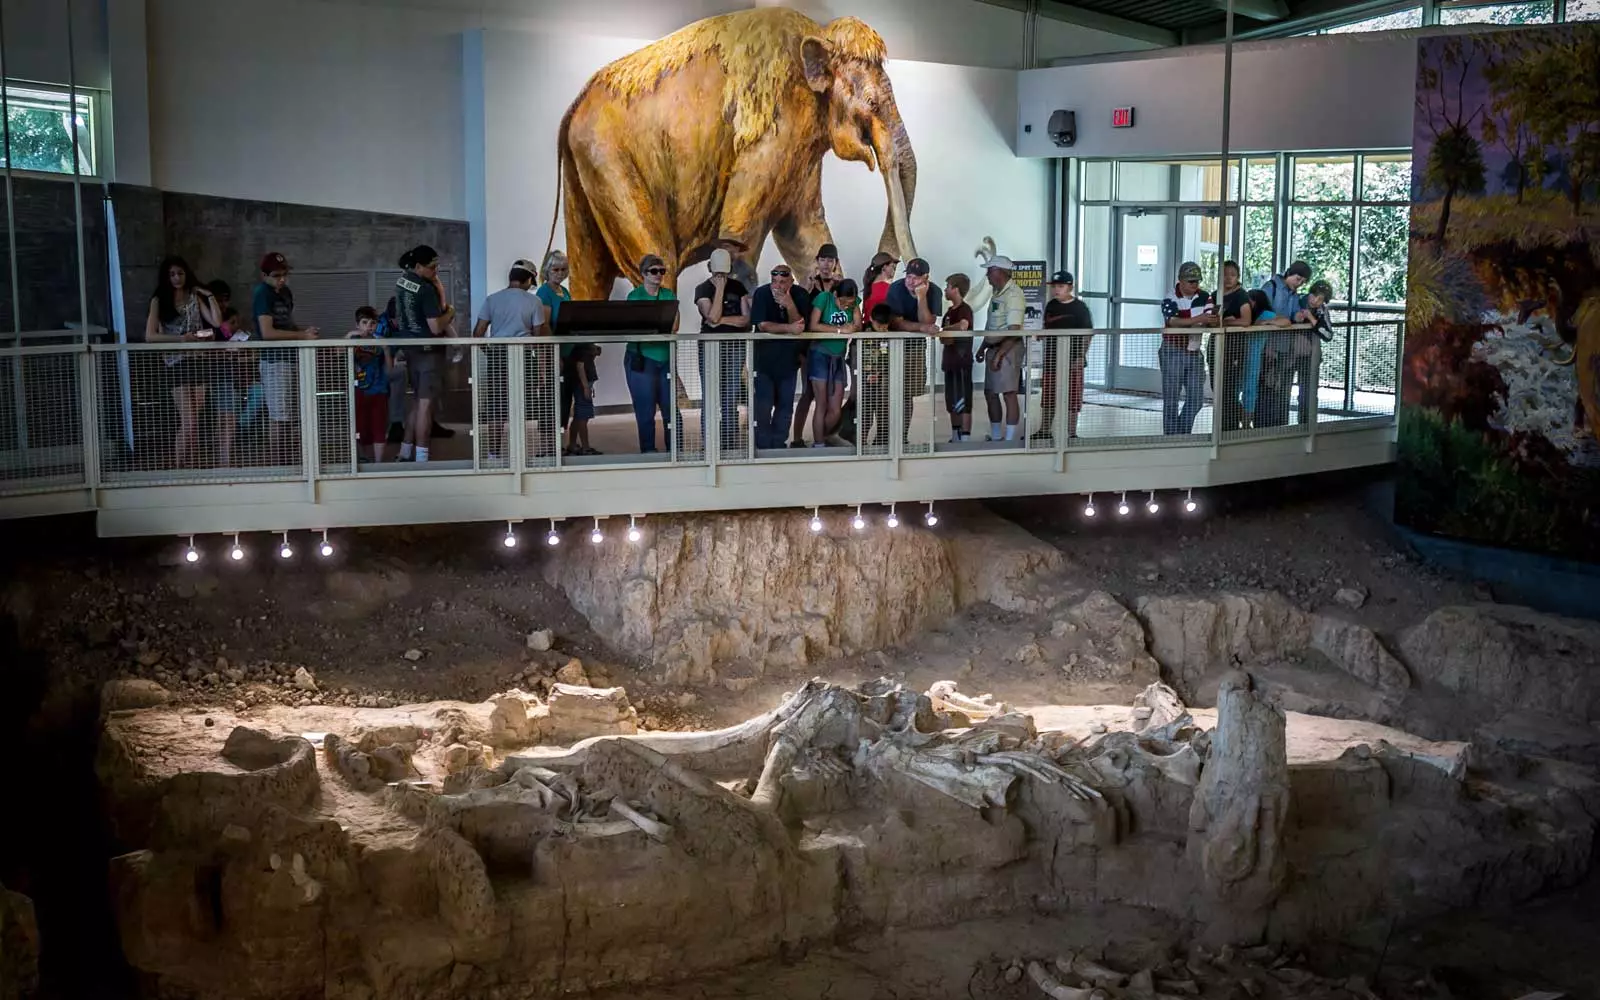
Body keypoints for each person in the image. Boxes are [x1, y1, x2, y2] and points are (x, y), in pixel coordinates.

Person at [145, 256, 221, 469]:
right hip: (176, 362)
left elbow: (216, 322)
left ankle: (191, 464)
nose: (177, 278)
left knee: (194, 421)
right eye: (172, 274)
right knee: (189, 421)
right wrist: (181, 339)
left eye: (180, 273)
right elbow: (150, 336)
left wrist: (210, 295)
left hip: (198, 359)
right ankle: (178, 466)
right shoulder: (159, 300)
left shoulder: (194, 296)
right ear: (166, 277)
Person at [472, 258, 548, 461]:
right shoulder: (534, 302)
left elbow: (477, 333)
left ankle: (493, 455)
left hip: (498, 355)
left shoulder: (492, 299)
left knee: (497, 407)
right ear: (529, 279)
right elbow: (537, 339)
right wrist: (541, 371)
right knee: (520, 406)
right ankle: (519, 456)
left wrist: (490, 352)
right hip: (523, 356)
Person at [252, 252, 319, 464]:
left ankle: (291, 461)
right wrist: (301, 336)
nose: (281, 279)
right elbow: (268, 333)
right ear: (264, 275)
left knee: (291, 415)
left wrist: (304, 332)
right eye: (276, 275)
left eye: (285, 274)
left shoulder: (286, 292)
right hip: (274, 361)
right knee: (279, 415)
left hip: (291, 358)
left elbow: (286, 324)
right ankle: (278, 464)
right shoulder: (262, 293)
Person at [392, 245, 455, 463]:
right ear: (418, 266)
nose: (435, 271)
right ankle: (422, 456)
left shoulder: (402, 282)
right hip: (429, 352)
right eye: (432, 267)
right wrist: (450, 313)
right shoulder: (425, 289)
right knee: (425, 406)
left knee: (417, 402)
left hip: (411, 349)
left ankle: (405, 450)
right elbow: (436, 326)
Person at [789, 244, 849, 447]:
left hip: (833, 346)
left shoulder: (840, 286)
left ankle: (825, 435)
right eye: (823, 260)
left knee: (832, 397)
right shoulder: (808, 285)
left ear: (836, 264)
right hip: (810, 346)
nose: (826, 264)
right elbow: (799, 312)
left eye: (830, 260)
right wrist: (806, 289)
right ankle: (797, 437)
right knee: (808, 393)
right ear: (817, 261)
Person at [694, 248, 751, 452]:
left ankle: (728, 443)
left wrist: (720, 320)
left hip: (734, 347)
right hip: (710, 347)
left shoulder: (738, 286)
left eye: (724, 273)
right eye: (718, 273)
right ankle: (709, 443)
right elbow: (711, 316)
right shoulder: (702, 289)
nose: (721, 277)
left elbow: (745, 318)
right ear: (710, 268)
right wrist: (719, 291)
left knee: (730, 395)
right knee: (711, 396)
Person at [749, 263, 811, 450]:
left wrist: (789, 304)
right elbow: (763, 325)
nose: (778, 286)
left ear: (791, 282)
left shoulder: (800, 295)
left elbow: (799, 325)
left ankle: (778, 444)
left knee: (785, 407)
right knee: (763, 406)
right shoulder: (761, 294)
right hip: (764, 362)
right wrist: (788, 329)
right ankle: (762, 445)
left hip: (788, 362)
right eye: (775, 282)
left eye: (783, 282)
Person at [624, 253, 679, 454]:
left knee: (671, 409)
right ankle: (648, 450)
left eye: (662, 271)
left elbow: (674, 325)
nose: (658, 275)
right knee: (645, 410)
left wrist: (652, 327)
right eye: (653, 271)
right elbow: (633, 327)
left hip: (665, 359)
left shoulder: (668, 295)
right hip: (641, 359)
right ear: (643, 274)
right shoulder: (635, 296)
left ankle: (675, 449)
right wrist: (656, 327)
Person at [1248, 260, 1312, 428]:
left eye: (1303, 282)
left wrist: (1297, 316)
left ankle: (1279, 426)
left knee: (1282, 389)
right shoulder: (1270, 288)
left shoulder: (1294, 295)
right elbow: (1261, 314)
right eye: (1298, 279)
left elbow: (1290, 317)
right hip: (1267, 346)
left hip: (1285, 347)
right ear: (1289, 273)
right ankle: (1262, 426)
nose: (1299, 284)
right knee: (1266, 388)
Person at [1159, 260, 1216, 436]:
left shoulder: (1205, 296)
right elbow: (1173, 322)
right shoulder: (1170, 297)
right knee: (1171, 398)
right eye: (1191, 282)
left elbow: (1210, 318)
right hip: (1172, 350)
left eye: (1197, 281)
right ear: (1181, 281)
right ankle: (1170, 437)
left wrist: (1210, 321)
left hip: (1194, 351)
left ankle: (1181, 432)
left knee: (1196, 397)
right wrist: (1198, 319)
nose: (1195, 285)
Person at [886, 257, 939, 443]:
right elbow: (897, 323)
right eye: (908, 276)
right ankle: (886, 437)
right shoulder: (895, 288)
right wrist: (922, 328)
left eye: (916, 278)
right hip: (893, 348)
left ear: (926, 278)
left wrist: (921, 297)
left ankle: (902, 437)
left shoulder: (934, 292)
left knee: (908, 394)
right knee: (888, 393)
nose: (910, 281)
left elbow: (927, 321)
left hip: (915, 349)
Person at [976, 255, 1026, 442]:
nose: (987, 275)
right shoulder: (997, 293)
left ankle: (1011, 438)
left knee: (1009, 392)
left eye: (989, 271)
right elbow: (992, 325)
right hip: (993, 347)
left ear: (999, 271)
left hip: (1008, 348)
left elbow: (1014, 330)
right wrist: (983, 347)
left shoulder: (1014, 294)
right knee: (990, 392)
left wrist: (1000, 354)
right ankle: (996, 436)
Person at [807, 277, 859, 448]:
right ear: (835, 295)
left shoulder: (853, 302)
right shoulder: (824, 298)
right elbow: (813, 325)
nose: (846, 306)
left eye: (850, 304)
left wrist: (851, 326)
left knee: (835, 409)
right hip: (820, 354)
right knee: (821, 403)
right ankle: (819, 444)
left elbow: (857, 324)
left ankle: (825, 436)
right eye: (843, 302)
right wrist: (840, 330)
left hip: (838, 357)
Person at [1042, 270, 1093, 440]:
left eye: (1061, 286)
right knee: (1048, 396)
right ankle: (1044, 430)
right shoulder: (1051, 306)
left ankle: (1072, 432)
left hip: (1072, 359)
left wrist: (1080, 356)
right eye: (1055, 286)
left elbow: (1088, 333)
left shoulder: (1080, 308)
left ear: (1070, 287)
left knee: (1073, 397)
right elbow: (1045, 327)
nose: (1057, 290)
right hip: (1051, 359)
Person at [346, 306, 393, 463]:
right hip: (358, 389)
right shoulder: (352, 340)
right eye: (364, 322)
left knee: (379, 426)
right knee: (360, 426)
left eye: (372, 323)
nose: (368, 327)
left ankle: (378, 463)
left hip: (379, 389)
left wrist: (386, 350)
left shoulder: (380, 341)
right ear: (357, 324)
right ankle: (364, 458)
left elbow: (389, 369)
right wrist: (350, 335)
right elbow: (338, 352)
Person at [1215, 261, 1254, 433]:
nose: (1228, 277)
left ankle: (1230, 428)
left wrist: (1228, 322)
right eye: (1225, 274)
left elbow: (1246, 320)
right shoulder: (1216, 294)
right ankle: (1222, 425)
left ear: (1237, 276)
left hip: (1235, 347)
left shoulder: (1241, 295)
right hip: (1217, 345)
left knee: (1230, 387)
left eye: (1232, 274)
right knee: (1217, 386)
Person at [855, 300, 895, 447]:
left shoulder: (889, 335)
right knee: (864, 413)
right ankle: (861, 442)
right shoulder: (863, 335)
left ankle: (882, 441)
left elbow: (888, 355)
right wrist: (865, 374)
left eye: (886, 326)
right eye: (880, 325)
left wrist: (881, 372)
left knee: (883, 411)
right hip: (864, 382)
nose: (883, 329)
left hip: (882, 381)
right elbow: (855, 357)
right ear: (871, 319)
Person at [940, 274, 975, 442]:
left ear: (955, 289)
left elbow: (963, 326)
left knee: (964, 400)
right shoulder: (948, 312)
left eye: (947, 286)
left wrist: (947, 331)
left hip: (962, 362)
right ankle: (955, 435)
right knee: (951, 400)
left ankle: (965, 437)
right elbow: (943, 337)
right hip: (949, 362)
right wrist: (945, 333)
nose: (945, 290)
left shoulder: (965, 309)